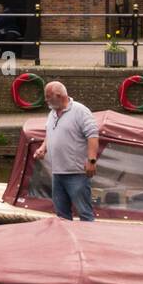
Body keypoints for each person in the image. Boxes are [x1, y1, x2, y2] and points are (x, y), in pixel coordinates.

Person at [32, 81, 99, 221]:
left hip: (77, 173)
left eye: (48, 96)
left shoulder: (80, 111)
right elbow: (49, 134)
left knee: (85, 213)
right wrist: (43, 148)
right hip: (57, 173)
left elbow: (92, 135)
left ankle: (88, 241)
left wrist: (91, 160)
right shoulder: (52, 113)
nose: (46, 100)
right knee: (62, 216)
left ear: (59, 95)